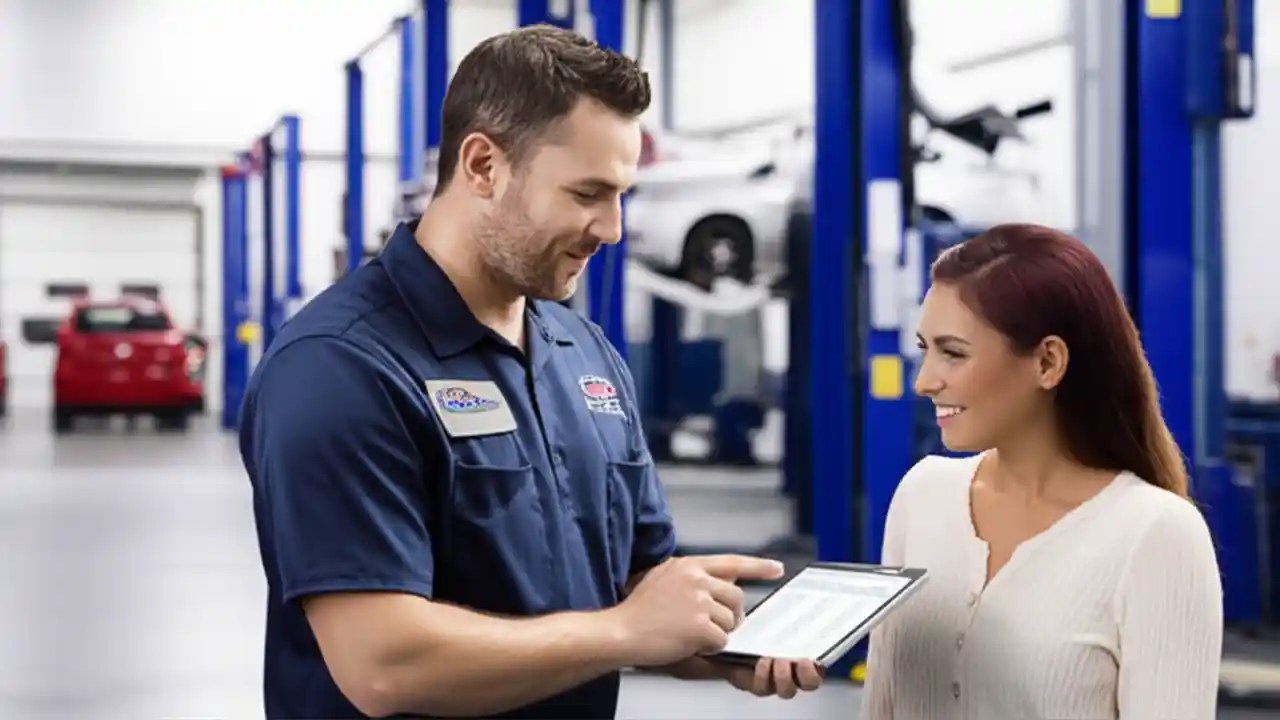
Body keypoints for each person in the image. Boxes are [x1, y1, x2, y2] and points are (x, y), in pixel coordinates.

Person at [238, 25, 822, 720]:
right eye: (587, 194)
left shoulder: (585, 355)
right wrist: (626, 631)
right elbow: (383, 663)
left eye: (621, 195)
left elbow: (634, 591)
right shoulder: (340, 366)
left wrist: (717, 638)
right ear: (483, 165)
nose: (611, 229)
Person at [860, 223, 1223, 719]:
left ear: (1048, 362)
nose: (924, 382)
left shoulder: (1156, 533)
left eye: (953, 353)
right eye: (925, 349)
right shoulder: (922, 496)